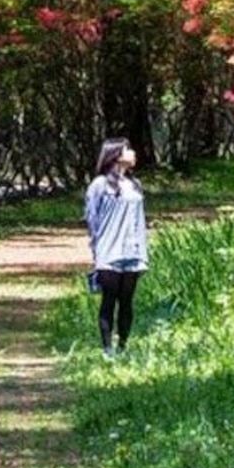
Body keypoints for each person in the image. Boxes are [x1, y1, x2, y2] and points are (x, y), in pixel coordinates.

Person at [84, 138, 148, 356]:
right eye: (127, 149)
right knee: (109, 300)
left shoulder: (135, 185)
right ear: (115, 155)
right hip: (109, 252)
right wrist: (96, 249)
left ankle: (123, 347)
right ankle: (107, 349)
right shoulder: (99, 185)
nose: (132, 153)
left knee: (127, 301)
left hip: (133, 251)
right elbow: (92, 219)